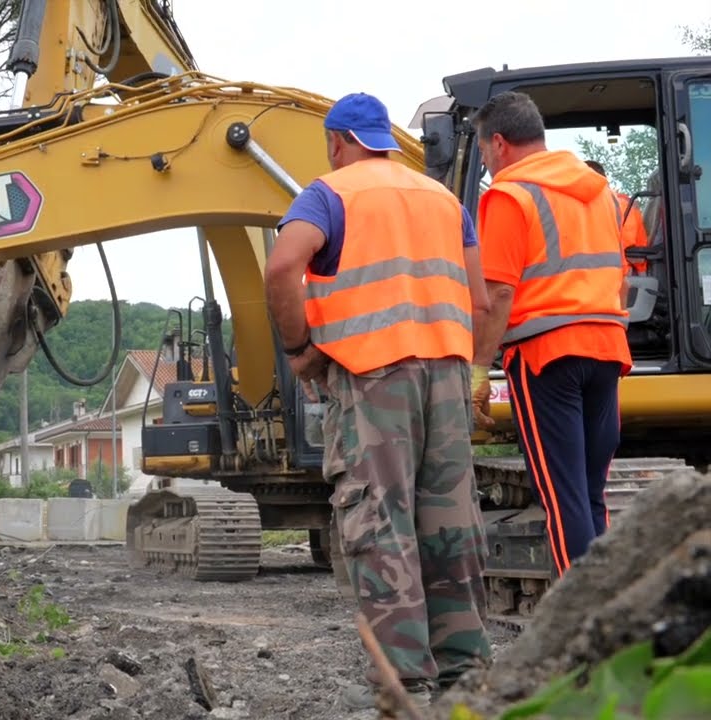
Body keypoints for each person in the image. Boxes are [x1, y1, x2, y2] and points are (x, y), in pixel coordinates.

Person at [264, 91, 494, 710]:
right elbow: (481, 300)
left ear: (339, 142)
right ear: (387, 141)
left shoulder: (329, 194)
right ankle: (466, 681)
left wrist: (298, 350)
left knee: (380, 525)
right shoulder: (445, 200)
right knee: (450, 525)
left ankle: (405, 689)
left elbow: (283, 267)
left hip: (372, 380)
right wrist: (467, 368)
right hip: (446, 374)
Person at [470, 91, 632, 579]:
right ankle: (606, 609)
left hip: (546, 355)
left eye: (481, 153)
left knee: (562, 498)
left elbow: (498, 294)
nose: (485, 163)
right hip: (607, 348)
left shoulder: (508, 195)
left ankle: (583, 624)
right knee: (588, 491)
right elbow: (619, 278)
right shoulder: (599, 191)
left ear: (498, 143)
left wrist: (478, 371)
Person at [584, 159, 649, 274]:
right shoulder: (624, 202)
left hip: (620, 272)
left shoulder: (583, 206)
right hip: (629, 269)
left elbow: (627, 245)